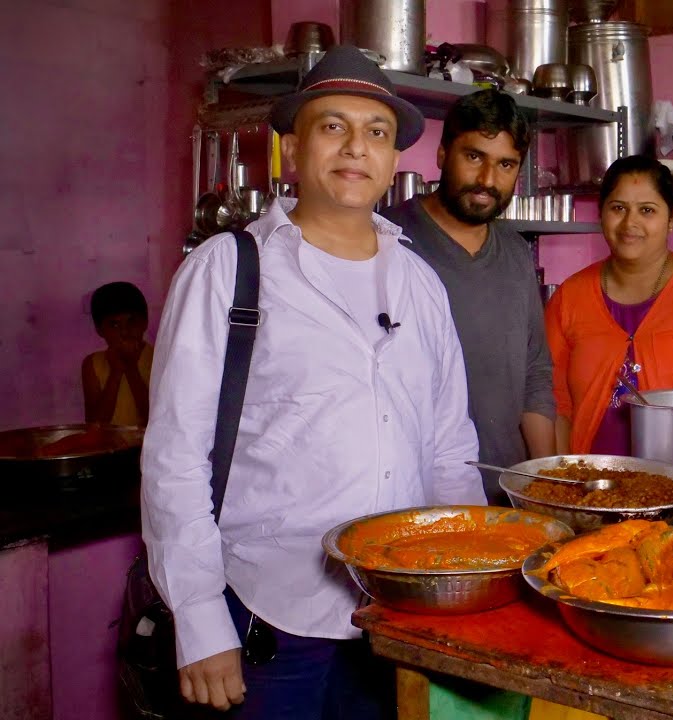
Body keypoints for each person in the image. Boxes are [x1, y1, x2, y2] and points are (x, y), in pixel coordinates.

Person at [140, 46, 485, 718]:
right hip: (265, 621)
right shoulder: (229, 269)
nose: (357, 146)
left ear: (393, 160)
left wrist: (463, 585)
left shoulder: (421, 283)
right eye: (333, 126)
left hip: (398, 616)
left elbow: (448, 445)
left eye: (377, 132)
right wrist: (199, 616)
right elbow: (175, 456)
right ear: (294, 148)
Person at [381, 89, 554, 505]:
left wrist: (545, 482)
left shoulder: (515, 253)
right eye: (474, 156)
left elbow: (535, 373)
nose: (487, 181)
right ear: (441, 155)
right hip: (410, 497)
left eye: (506, 165)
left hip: (506, 493)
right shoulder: (387, 241)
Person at [545, 155, 673, 454]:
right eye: (618, 208)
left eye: (647, 210)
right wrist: (562, 480)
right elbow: (555, 403)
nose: (630, 223)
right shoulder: (569, 297)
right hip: (588, 486)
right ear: (601, 213)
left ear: (671, 218)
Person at [81, 281, 152, 426]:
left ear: (145, 322)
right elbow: (94, 425)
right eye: (114, 325)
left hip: (148, 447)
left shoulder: (158, 358)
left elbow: (157, 419)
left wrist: (131, 369)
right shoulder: (92, 364)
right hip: (110, 447)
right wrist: (116, 372)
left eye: (131, 322)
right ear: (99, 330)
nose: (125, 332)